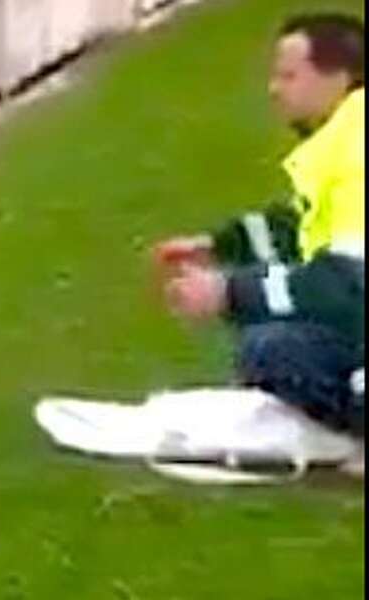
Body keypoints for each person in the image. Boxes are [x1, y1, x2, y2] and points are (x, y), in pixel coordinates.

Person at [153, 13, 365, 472]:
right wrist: (221, 246)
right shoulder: (348, 142)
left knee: (273, 350)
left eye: (289, 75)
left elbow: (347, 286)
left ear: (338, 79)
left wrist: (230, 292)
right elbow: (304, 225)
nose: (274, 89)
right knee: (273, 341)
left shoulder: (358, 153)